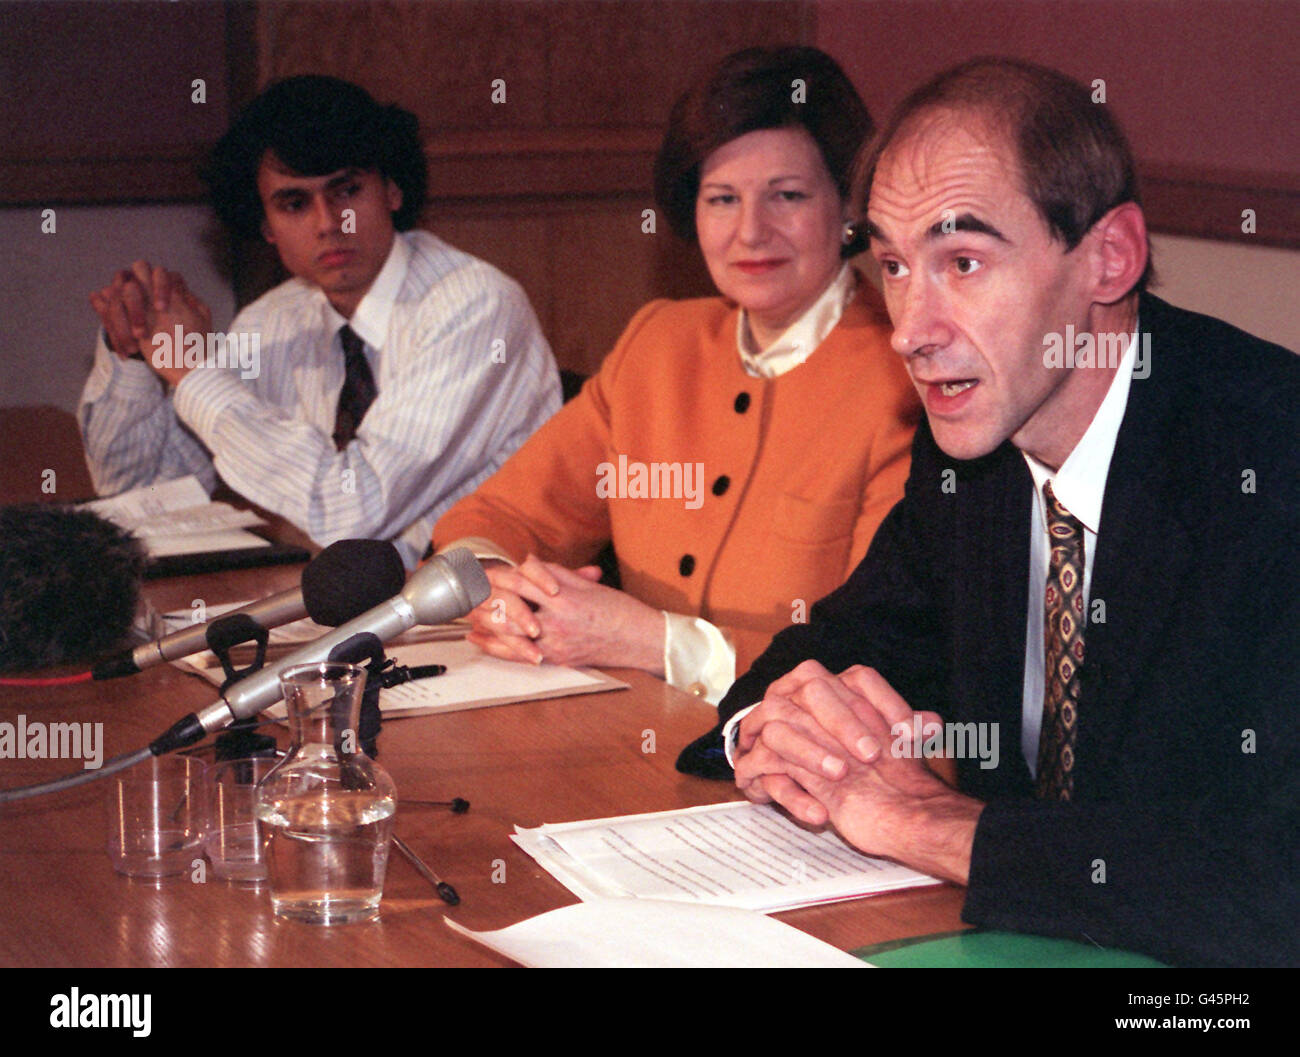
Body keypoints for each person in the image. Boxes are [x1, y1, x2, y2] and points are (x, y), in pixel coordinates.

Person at [679, 57, 1299, 967]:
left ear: (1110, 258)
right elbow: (829, 650)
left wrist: (937, 825)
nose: (908, 329)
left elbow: (1275, 882)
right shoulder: (972, 455)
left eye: (962, 261)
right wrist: (780, 728)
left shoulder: (1270, 467)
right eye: (892, 263)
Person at [432, 46, 919, 704]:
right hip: (622, 735)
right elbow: (493, 513)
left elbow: (881, 664)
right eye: (722, 198)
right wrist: (495, 590)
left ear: (850, 210)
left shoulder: (906, 377)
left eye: (788, 196)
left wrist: (655, 641)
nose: (751, 231)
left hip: (803, 769)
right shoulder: (656, 344)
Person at [79, 76, 559, 568]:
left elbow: (352, 512)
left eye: (346, 190)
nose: (329, 222)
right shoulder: (273, 319)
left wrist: (192, 373)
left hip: (491, 612)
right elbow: (144, 501)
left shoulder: (475, 306)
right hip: (348, 613)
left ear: (392, 189)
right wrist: (136, 349)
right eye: (294, 204)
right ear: (265, 226)